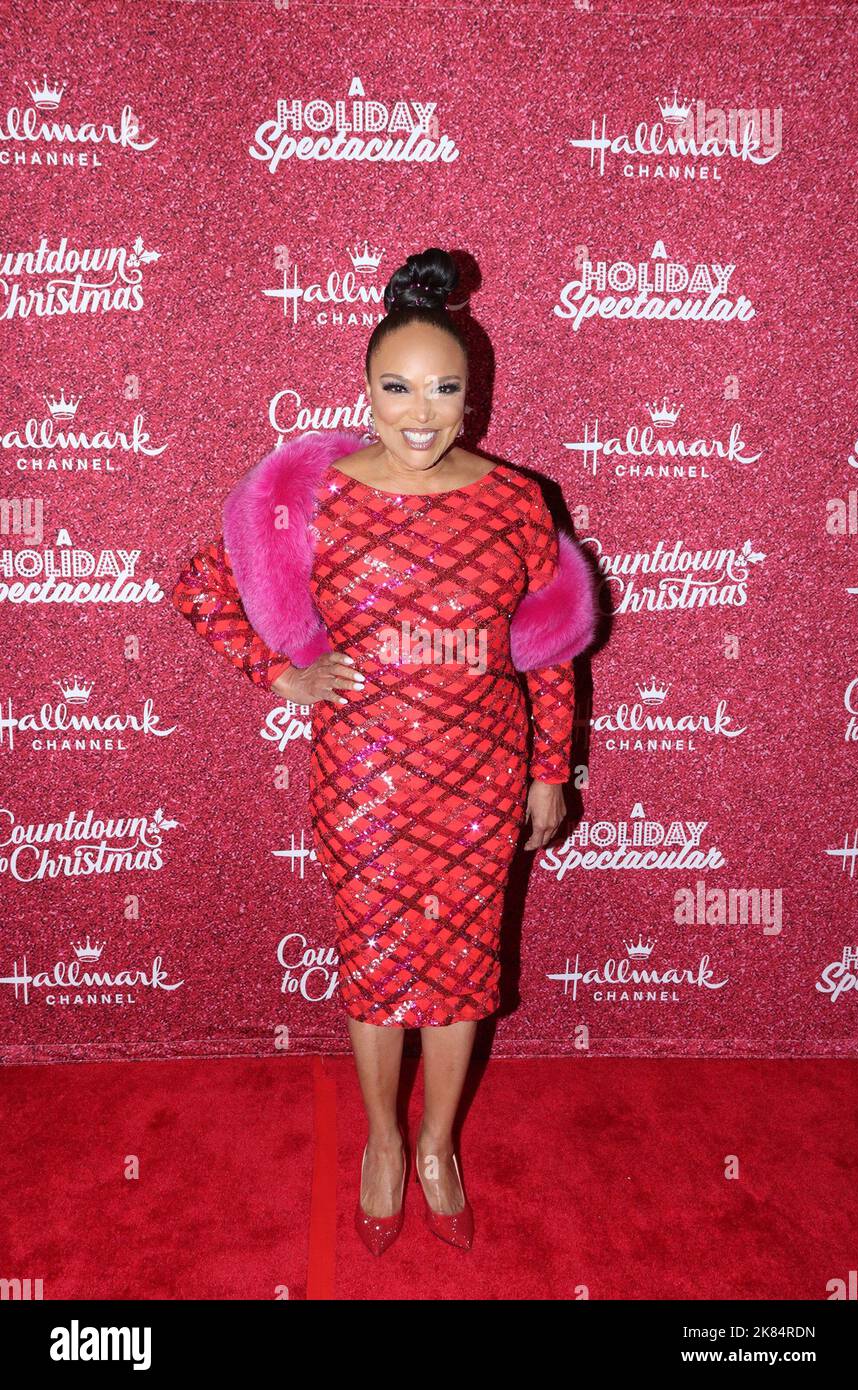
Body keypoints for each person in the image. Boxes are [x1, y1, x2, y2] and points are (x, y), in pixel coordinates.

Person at [171, 247, 596, 1255]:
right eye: (397, 385)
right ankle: (380, 1141)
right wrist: (283, 676)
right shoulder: (310, 495)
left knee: (460, 972)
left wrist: (546, 770)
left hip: (480, 780)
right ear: (361, 388)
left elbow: (546, 650)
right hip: (361, 779)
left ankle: (439, 1144)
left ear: (471, 395)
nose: (420, 408)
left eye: (443, 387)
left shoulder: (515, 500)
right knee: (376, 972)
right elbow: (198, 583)